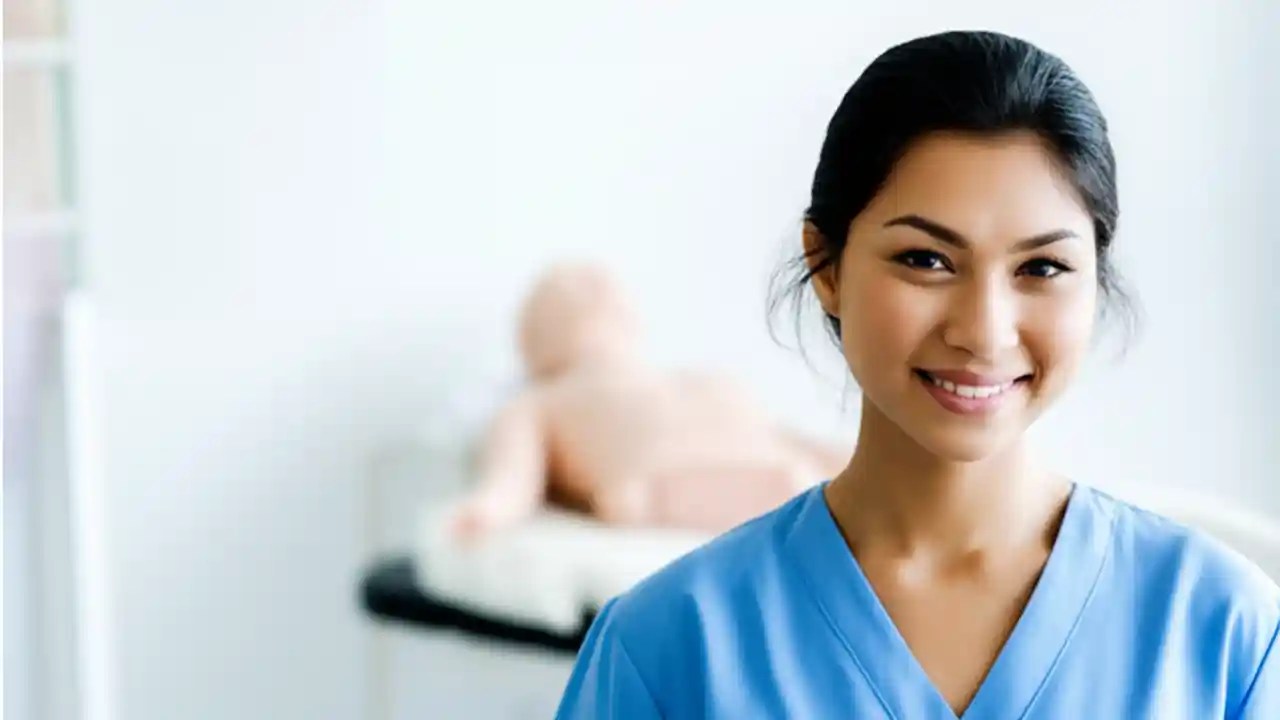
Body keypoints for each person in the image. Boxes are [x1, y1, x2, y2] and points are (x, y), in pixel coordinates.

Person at [553, 30, 1279, 719]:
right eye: (926, 260)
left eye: (1042, 268)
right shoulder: (669, 649)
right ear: (826, 266)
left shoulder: (1224, 636)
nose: (983, 331)